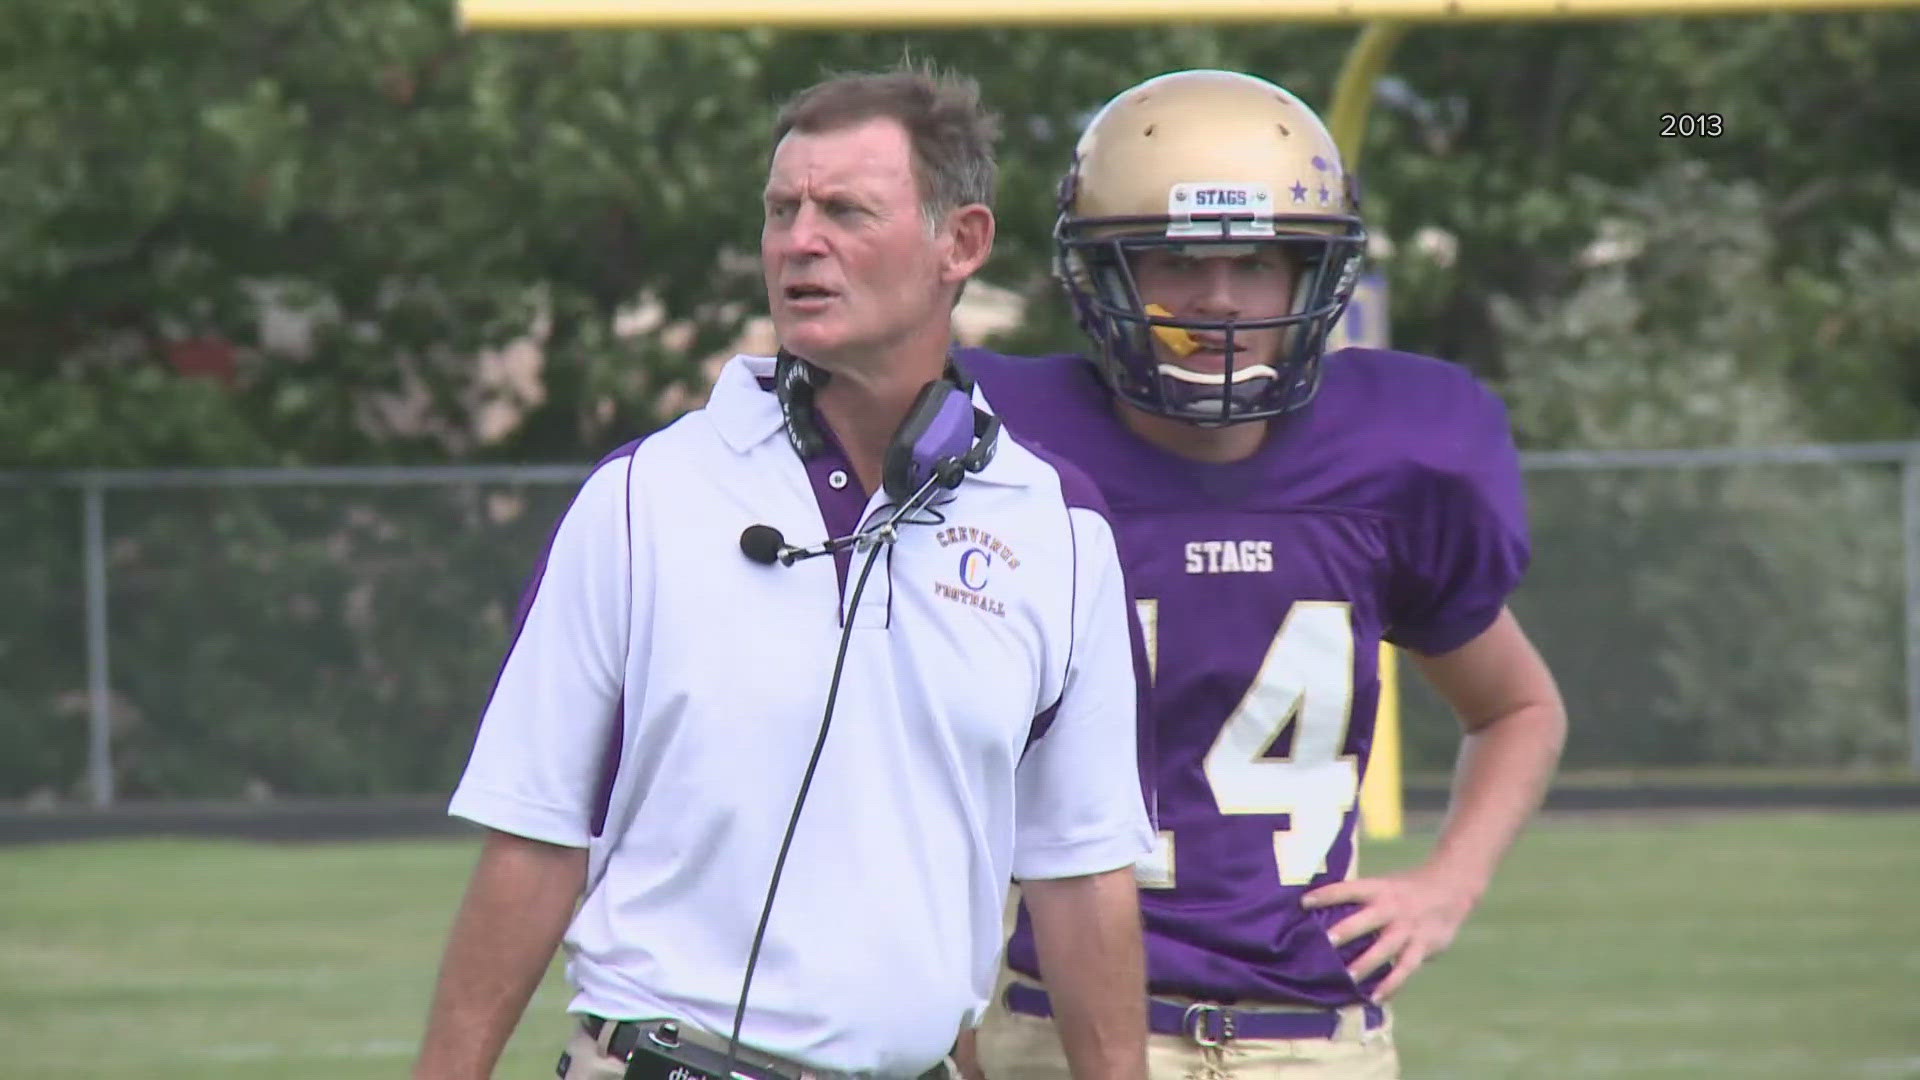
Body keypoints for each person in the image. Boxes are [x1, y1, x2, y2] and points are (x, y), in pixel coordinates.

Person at [413, 66, 1156, 1080]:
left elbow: (1082, 879)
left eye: (845, 210)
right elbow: (536, 844)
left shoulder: (1062, 533)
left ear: (962, 243)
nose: (799, 240)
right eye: (782, 210)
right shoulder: (641, 498)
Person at [954, 69, 1569, 1079]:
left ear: (1315, 280)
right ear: (1100, 276)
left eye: (1259, 263)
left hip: (1311, 1041)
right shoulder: (1001, 453)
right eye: (1175, 262)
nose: (1219, 302)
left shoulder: (1398, 457)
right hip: (1053, 1024)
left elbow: (1518, 707)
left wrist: (1447, 886)